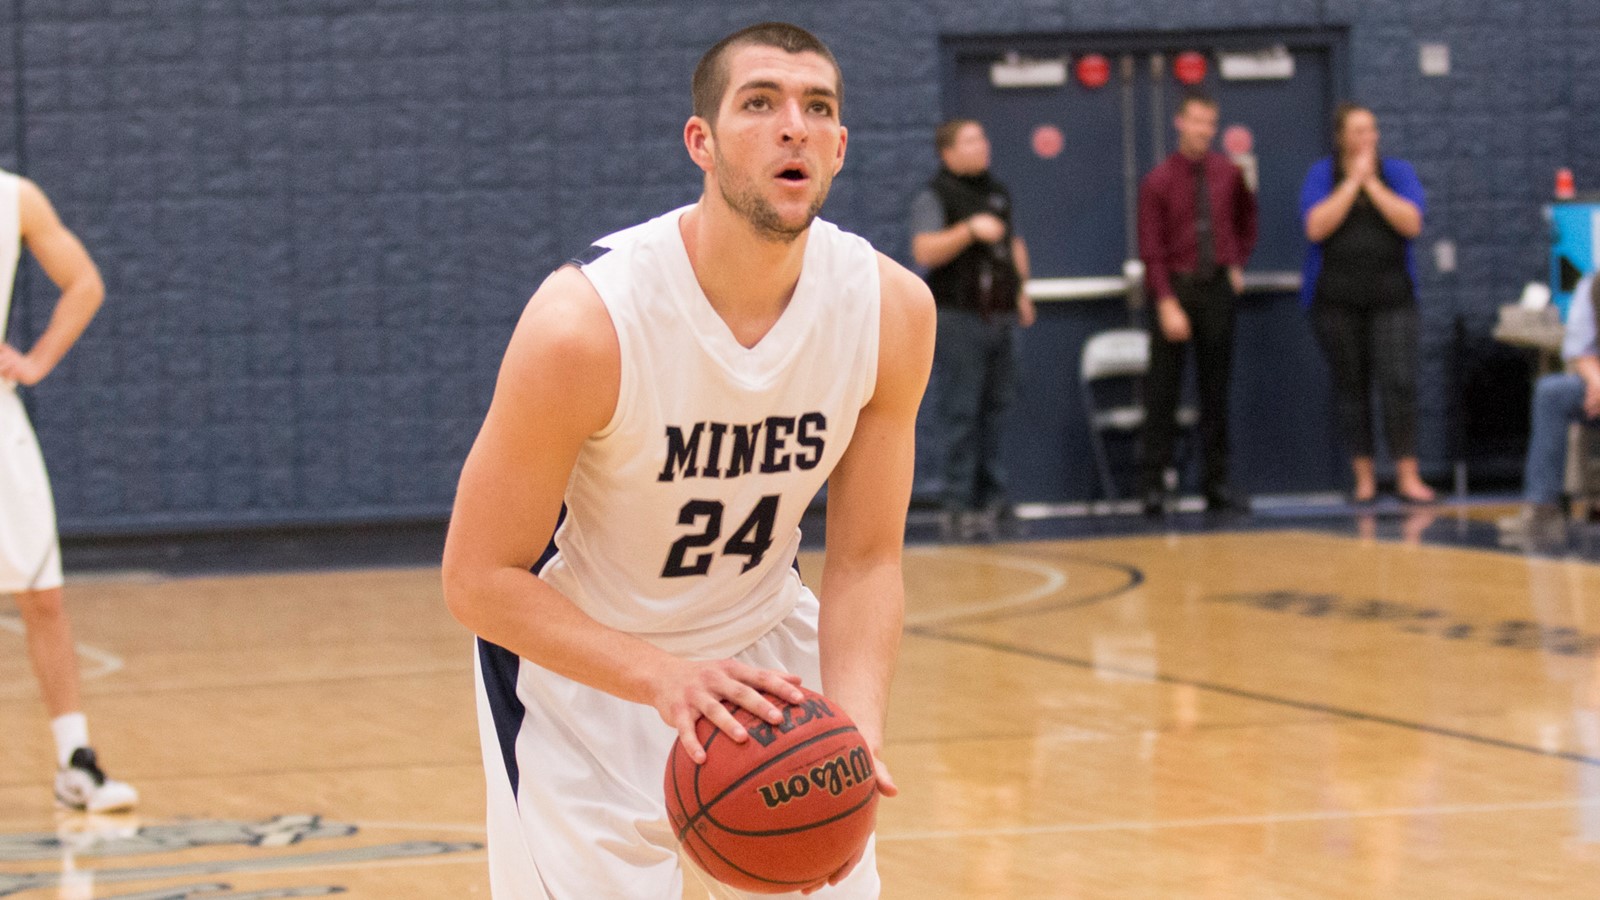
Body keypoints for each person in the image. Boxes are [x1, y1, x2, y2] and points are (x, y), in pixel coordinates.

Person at [441, 22, 934, 899]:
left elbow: (865, 560)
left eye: (818, 108)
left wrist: (854, 728)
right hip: (586, 678)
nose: (795, 127)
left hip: (768, 669)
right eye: (760, 104)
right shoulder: (585, 325)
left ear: (841, 148)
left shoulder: (891, 311)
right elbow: (478, 580)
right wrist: (663, 679)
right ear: (699, 142)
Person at [0, 169, 137, 813]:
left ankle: (75, 763)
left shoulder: (16, 197)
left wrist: (35, 360)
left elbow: (84, 284)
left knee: (43, 595)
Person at [1299, 102, 1436, 505]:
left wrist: (1372, 185)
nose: (1366, 138)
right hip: (1337, 299)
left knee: (1399, 383)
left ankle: (1407, 475)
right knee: (1351, 387)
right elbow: (1315, 226)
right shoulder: (1322, 175)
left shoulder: (1397, 173)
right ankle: (1365, 478)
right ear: (1341, 137)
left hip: (1392, 297)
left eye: (1371, 130)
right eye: (1357, 131)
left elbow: (1412, 222)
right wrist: (1350, 185)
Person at [908, 119, 1035, 540]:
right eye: (970, 140)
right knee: (961, 412)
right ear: (948, 151)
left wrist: (1022, 291)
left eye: (983, 137)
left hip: (1000, 315)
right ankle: (957, 503)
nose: (982, 146)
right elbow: (924, 249)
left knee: (997, 410)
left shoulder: (997, 191)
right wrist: (967, 231)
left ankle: (994, 498)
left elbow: (1013, 243)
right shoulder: (935, 194)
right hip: (959, 317)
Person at [1136, 93, 1257, 516]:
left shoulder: (1229, 173)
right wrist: (1166, 301)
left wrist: (1236, 261)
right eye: (1196, 121)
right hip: (1176, 287)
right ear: (1179, 122)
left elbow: (1246, 221)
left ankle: (1216, 483)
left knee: (1216, 391)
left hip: (1217, 288)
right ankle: (1155, 484)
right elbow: (1150, 248)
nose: (1203, 130)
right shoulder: (1158, 180)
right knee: (1162, 392)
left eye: (1211, 122)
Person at [1500, 273, 1600, 548]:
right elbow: (1579, 350)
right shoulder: (1592, 285)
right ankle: (1543, 509)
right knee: (1551, 392)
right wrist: (1597, 382)